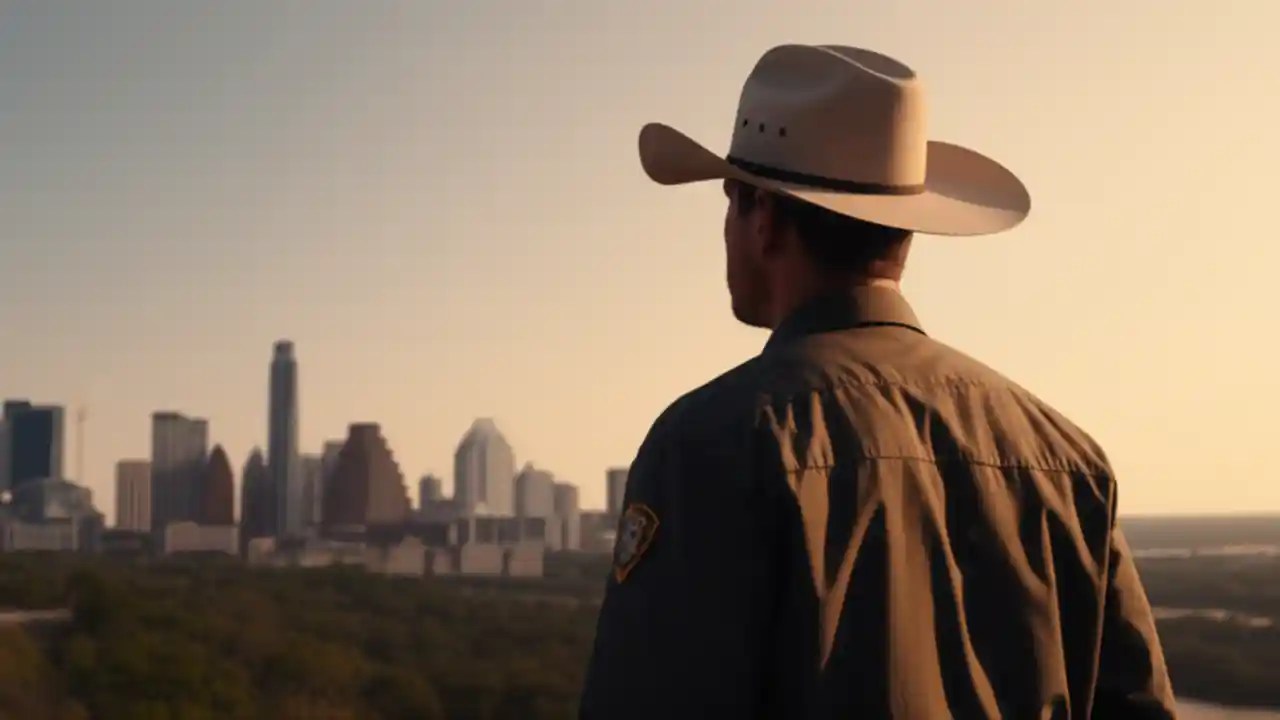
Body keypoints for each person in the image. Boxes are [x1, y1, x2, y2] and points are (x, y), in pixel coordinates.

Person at [578, 44, 1176, 719]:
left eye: (729, 202)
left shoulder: (714, 442)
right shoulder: (1068, 460)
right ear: (904, 232)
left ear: (763, 218)